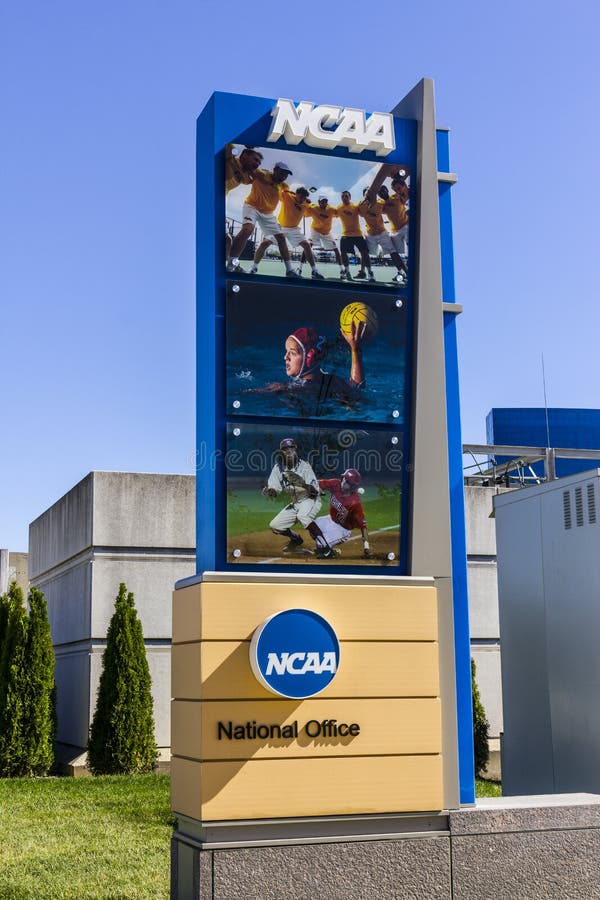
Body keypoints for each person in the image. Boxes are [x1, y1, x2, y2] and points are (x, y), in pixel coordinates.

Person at [227, 160, 300, 278]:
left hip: (268, 214)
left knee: (281, 238)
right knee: (247, 229)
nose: (284, 177)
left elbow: (290, 197)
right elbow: (247, 167)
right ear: (275, 170)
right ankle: (231, 266)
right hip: (252, 207)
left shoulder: (283, 185)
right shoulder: (262, 174)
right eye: (282, 173)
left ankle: (290, 270)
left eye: (286, 175)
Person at [262, 438, 323, 552]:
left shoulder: (305, 466)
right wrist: (269, 491)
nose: (288, 451)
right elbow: (275, 490)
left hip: (310, 499)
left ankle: (325, 546)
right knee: (275, 525)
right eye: (285, 449)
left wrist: (301, 483)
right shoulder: (278, 468)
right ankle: (296, 539)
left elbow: (315, 491)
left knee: (302, 517)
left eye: (291, 448)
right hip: (296, 502)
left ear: (295, 449)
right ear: (282, 452)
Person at [250, 187, 325, 279]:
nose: (302, 199)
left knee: (306, 245)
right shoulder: (287, 196)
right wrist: (290, 192)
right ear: (296, 194)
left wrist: (310, 203)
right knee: (264, 243)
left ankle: (314, 271)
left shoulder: (306, 204)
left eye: (304, 197)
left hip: (294, 229)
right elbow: (280, 190)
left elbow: (312, 210)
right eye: (301, 196)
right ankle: (254, 267)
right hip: (280, 226)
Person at [312, 469, 373, 559]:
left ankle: (330, 552)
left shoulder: (355, 503)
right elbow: (317, 484)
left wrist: (366, 546)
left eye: (347, 481)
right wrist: (317, 488)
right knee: (311, 526)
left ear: (353, 486)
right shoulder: (336, 484)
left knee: (320, 543)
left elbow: (363, 526)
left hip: (342, 530)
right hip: (330, 520)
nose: (343, 482)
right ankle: (326, 547)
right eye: (344, 478)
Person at [359, 188, 407, 284]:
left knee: (393, 252)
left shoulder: (381, 203)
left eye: (371, 194)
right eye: (367, 195)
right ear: (364, 196)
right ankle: (365, 272)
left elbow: (391, 205)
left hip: (382, 232)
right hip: (370, 234)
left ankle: (405, 272)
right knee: (365, 252)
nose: (370, 196)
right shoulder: (361, 206)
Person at [225, 144, 263, 261]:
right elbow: (227, 144)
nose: (257, 164)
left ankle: (227, 271)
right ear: (245, 155)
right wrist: (247, 145)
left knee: (227, 240)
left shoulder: (246, 176)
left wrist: (253, 169)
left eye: (259, 163)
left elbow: (254, 178)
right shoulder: (230, 158)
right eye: (255, 160)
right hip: (206, 195)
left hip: (218, 203)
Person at [335, 191, 372, 281]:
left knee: (364, 252)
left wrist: (364, 203)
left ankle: (370, 273)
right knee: (343, 252)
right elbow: (330, 214)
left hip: (357, 234)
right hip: (346, 234)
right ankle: (347, 272)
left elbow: (363, 214)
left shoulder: (355, 207)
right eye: (343, 196)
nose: (344, 198)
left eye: (346, 196)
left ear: (350, 197)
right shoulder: (338, 208)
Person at [303, 196, 343, 275]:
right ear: (318, 202)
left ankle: (342, 270)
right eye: (322, 201)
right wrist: (306, 202)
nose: (324, 203)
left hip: (327, 233)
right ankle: (300, 267)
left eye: (325, 201)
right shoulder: (314, 207)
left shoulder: (331, 209)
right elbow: (305, 213)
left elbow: (339, 213)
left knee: (336, 250)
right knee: (308, 245)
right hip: (315, 230)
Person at [380, 177, 409, 262]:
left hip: (405, 226)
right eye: (380, 192)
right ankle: (402, 271)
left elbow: (407, 199)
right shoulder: (381, 205)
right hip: (395, 231)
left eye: (384, 190)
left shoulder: (397, 197)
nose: (382, 193)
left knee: (410, 242)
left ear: (387, 190)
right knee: (395, 252)